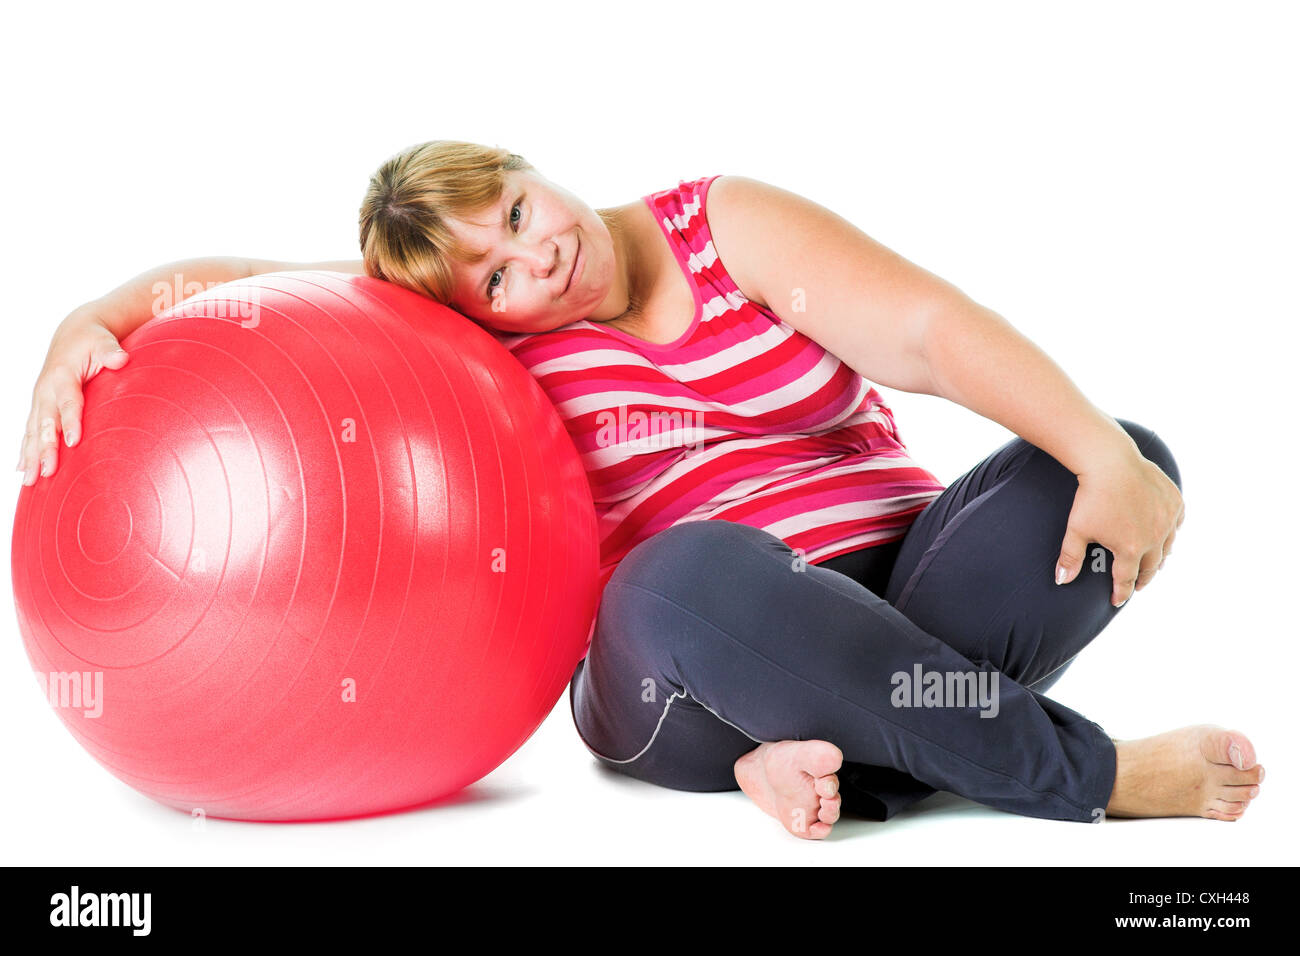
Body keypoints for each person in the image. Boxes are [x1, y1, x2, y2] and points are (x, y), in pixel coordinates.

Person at [19, 140, 1264, 839]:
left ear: (530, 165)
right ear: (470, 312)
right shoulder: (477, 345)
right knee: (689, 567)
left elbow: (932, 335)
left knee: (1118, 450)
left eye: (516, 207)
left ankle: (848, 756)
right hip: (688, 670)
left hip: (910, 598)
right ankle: (1088, 775)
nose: (537, 250)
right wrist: (95, 314)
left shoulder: (725, 222)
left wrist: (1101, 457)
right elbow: (248, 281)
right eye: (496, 276)